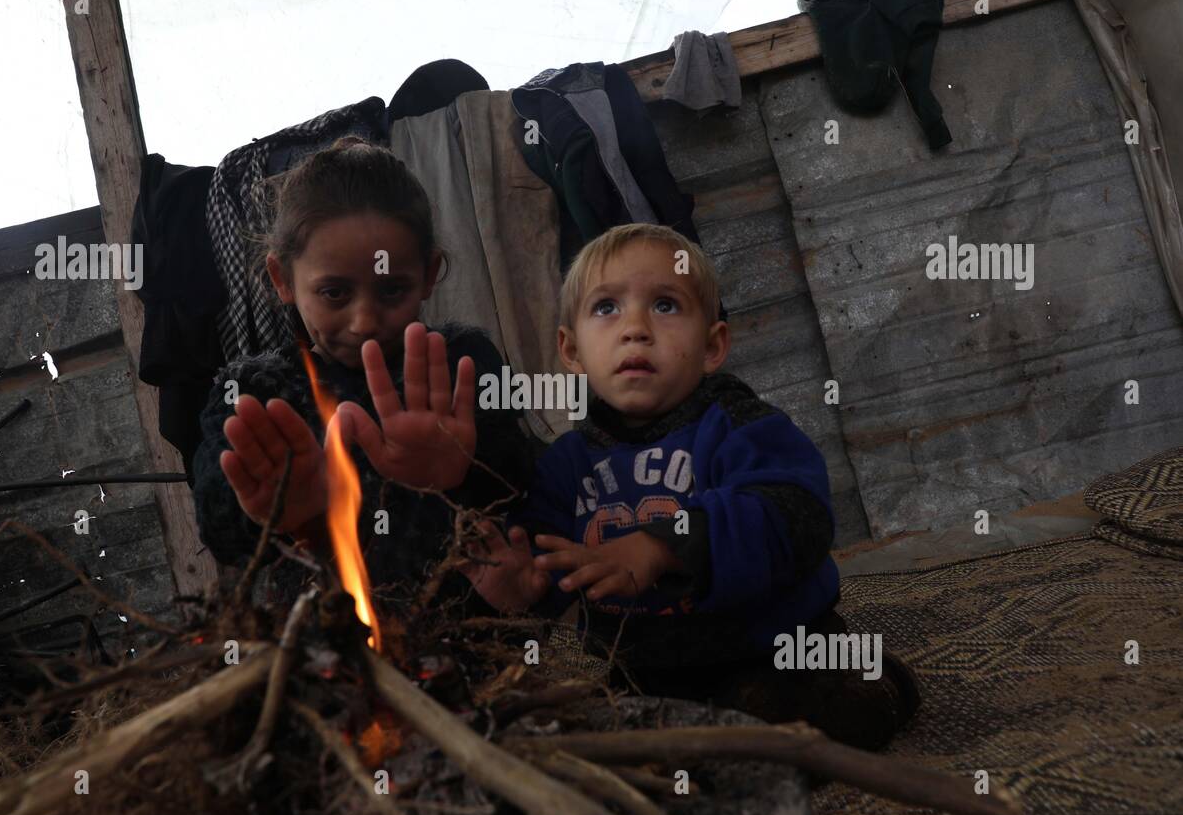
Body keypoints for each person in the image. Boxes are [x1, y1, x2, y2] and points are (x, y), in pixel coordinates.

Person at [462, 223, 919, 750]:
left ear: (711, 345)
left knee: (805, 714)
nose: (635, 328)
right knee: (589, 739)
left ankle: (881, 684)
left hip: (774, 649)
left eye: (665, 306)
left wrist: (665, 546)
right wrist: (526, 586)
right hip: (647, 672)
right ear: (571, 352)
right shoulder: (567, 464)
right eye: (606, 308)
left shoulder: (740, 425)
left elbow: (796, 516)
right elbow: (547, 552)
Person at [193, 138, 530, 610]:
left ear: (429, 273)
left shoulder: (459, 363)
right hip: (325, 655)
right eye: (334, 293)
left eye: (392, 290)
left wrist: (461, 471)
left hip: (464, 644)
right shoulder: (253, 392)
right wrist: (277, 516)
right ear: (282, 279)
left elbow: (523, 488)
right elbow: (221, 533)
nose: (365, 321)